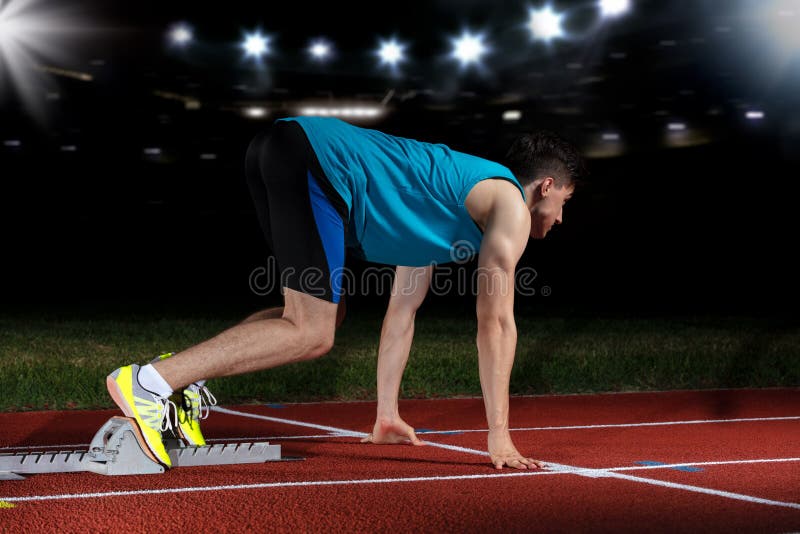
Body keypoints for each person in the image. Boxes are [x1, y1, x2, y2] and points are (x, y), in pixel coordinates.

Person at [106, 116, 584, 470]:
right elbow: (495, 323)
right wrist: (499, 438)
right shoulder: (510, 206)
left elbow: (401, 313)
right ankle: (150, 383)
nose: (560, 219)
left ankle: (180, 384)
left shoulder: (444, 203)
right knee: (311, 331)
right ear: (546, 186)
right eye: (564, 202)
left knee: (316, 318)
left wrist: (386, 414)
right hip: (314, 162)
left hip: (283, 148)